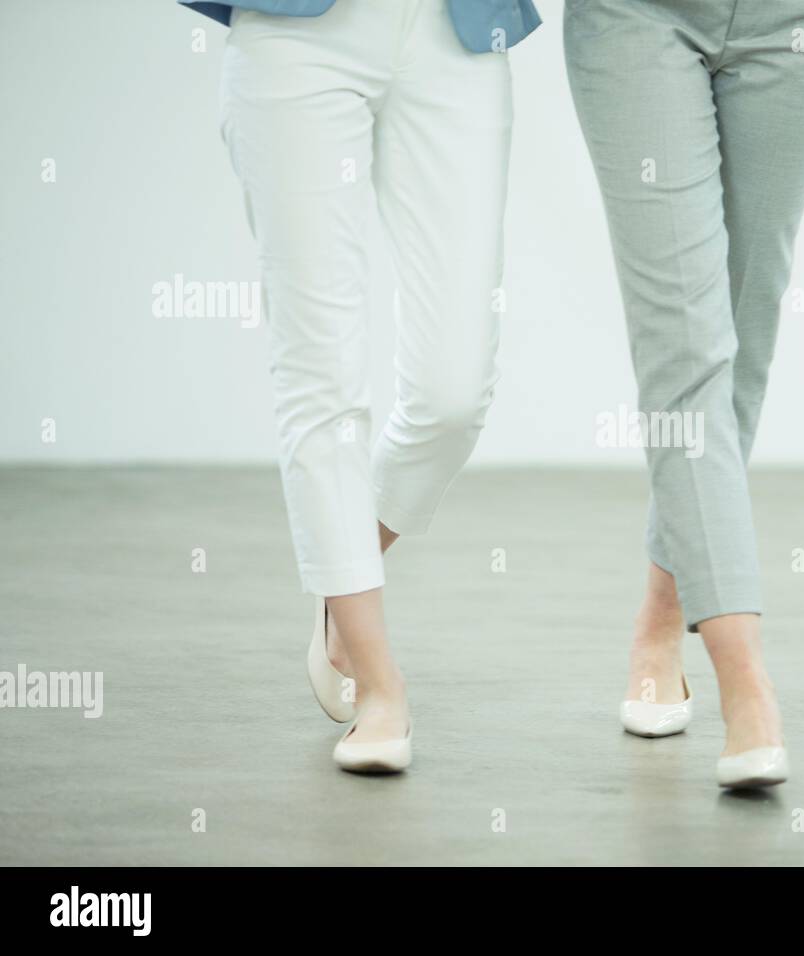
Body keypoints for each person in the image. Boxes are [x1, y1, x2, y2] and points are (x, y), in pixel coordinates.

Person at [183, 0, 541, 772]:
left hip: (458, 30)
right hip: (296, 34)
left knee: (454, 389)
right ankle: (380, 688)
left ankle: (347, 580)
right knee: (321, 372)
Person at [565, 0, 804, 788]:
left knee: (744, 327)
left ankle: (662, 618)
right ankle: (747, 687)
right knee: (685, 345)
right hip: (638, 14)